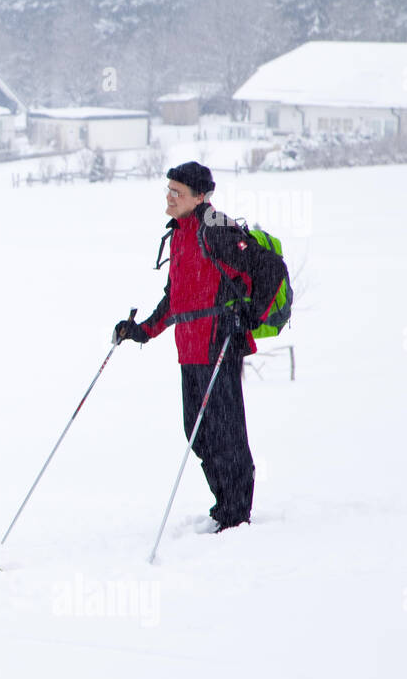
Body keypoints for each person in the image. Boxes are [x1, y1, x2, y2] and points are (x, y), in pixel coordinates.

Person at [113, 162, 286, 533]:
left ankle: (236, 515)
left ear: (200, 196)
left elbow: (269, 268)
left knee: (226, 434)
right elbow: (175, 298)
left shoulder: (217, 229)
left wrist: (249, 317)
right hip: (188, 347)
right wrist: (141, 331)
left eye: (178, 192)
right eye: (169, 190)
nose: (170, 197)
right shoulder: (179, 233)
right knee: (198, 431)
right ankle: (225, 505)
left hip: (219, 342)